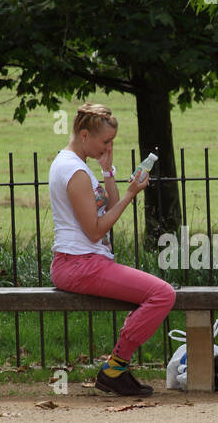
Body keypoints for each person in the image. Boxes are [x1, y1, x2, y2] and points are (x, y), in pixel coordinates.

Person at [49, 102, 176, 396]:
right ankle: (115, 369)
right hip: (80, 263)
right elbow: (95, 230)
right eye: (105, 141)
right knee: (162, 293)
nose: (108, 147)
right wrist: (131, 194)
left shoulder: (75, 165)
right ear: (84, 135)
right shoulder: (74, 172)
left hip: (82, 261)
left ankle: (115, 369)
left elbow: (107, 202)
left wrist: (108, 171)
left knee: (159, 293)